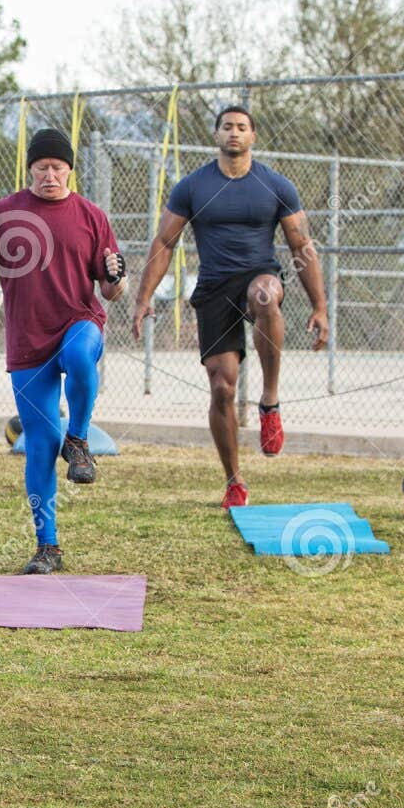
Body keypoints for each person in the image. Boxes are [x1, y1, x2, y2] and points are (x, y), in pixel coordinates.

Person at [131, 105, 328, 508]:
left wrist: (320, 307)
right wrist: (143, 297)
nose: (234, 133)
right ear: (216, 135)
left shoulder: (276, 185)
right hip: (214, 286)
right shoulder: (192, 186)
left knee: (265, 296)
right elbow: (165, 243)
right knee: (222, 388)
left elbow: (301, 246)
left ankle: (269, 402)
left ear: (253, 136)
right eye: (227, 127)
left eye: (241, 128)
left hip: (260, 274)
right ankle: (234, 482)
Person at [0, 127, 125, 575]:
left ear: (69, 170)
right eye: (42, 167)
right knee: (41, 446)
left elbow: (112, 290)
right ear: (30, 169)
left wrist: (116, 276)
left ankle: (80, 440)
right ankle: (48, 546)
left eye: (58, 168)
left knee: (82, 358)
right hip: (28, 341)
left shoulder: (91, 216)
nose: (50, 175)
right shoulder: (3, 213)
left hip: (78, 321)